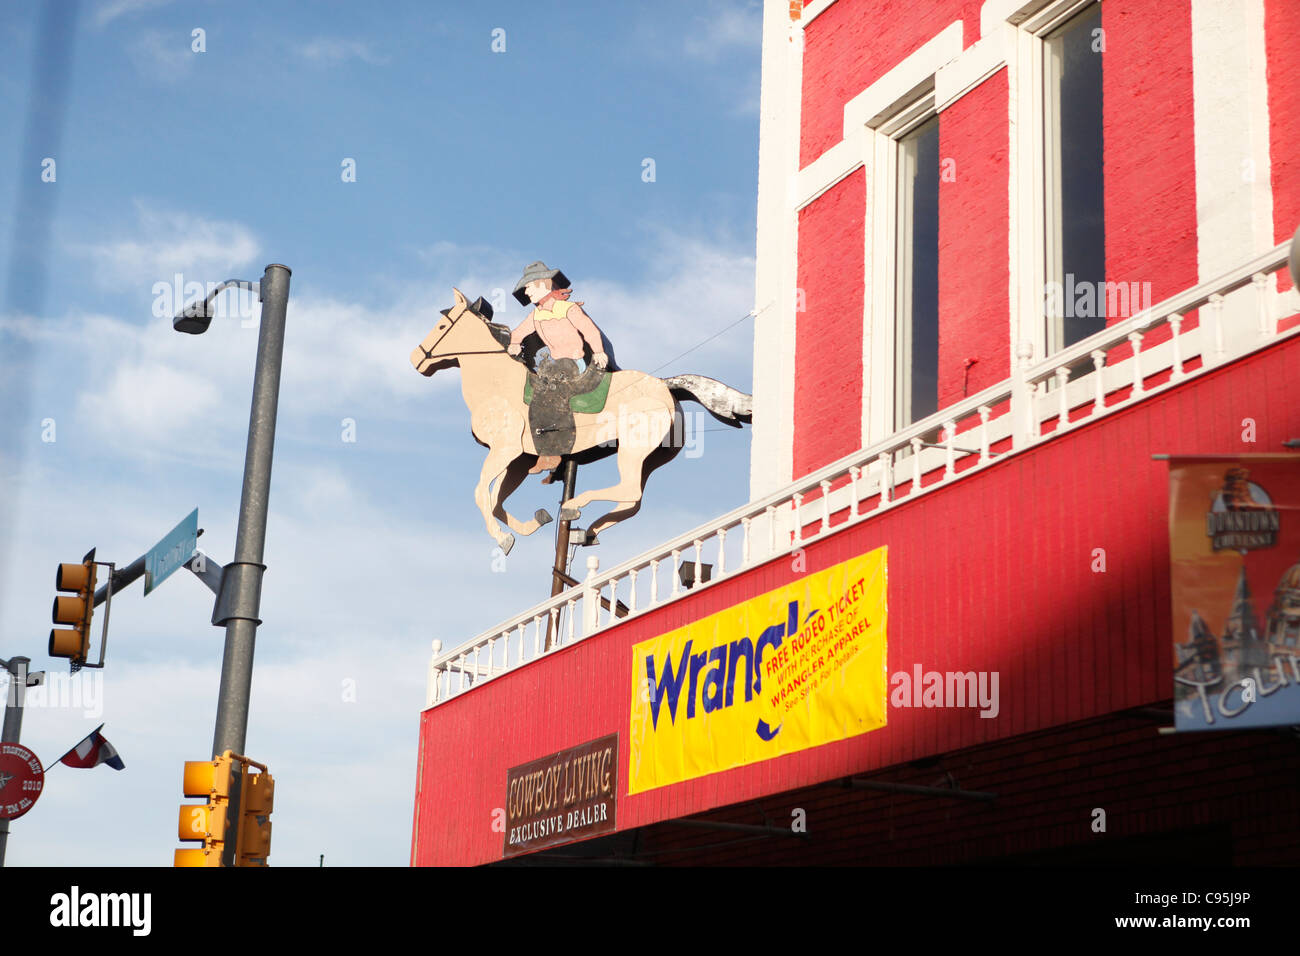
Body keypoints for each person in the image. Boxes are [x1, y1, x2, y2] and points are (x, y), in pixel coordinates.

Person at [506, 262, 609, 477]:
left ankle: (553, 454)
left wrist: (598, 351)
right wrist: (514, 343)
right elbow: (518, 333)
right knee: (534, 394)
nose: (526, 292)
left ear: (543, 284)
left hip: (572, 363)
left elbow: (589, 330)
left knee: (550, 394)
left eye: (529, 287)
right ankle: (547, 450)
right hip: (553, 366)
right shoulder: (536, 315)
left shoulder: (568, 308)